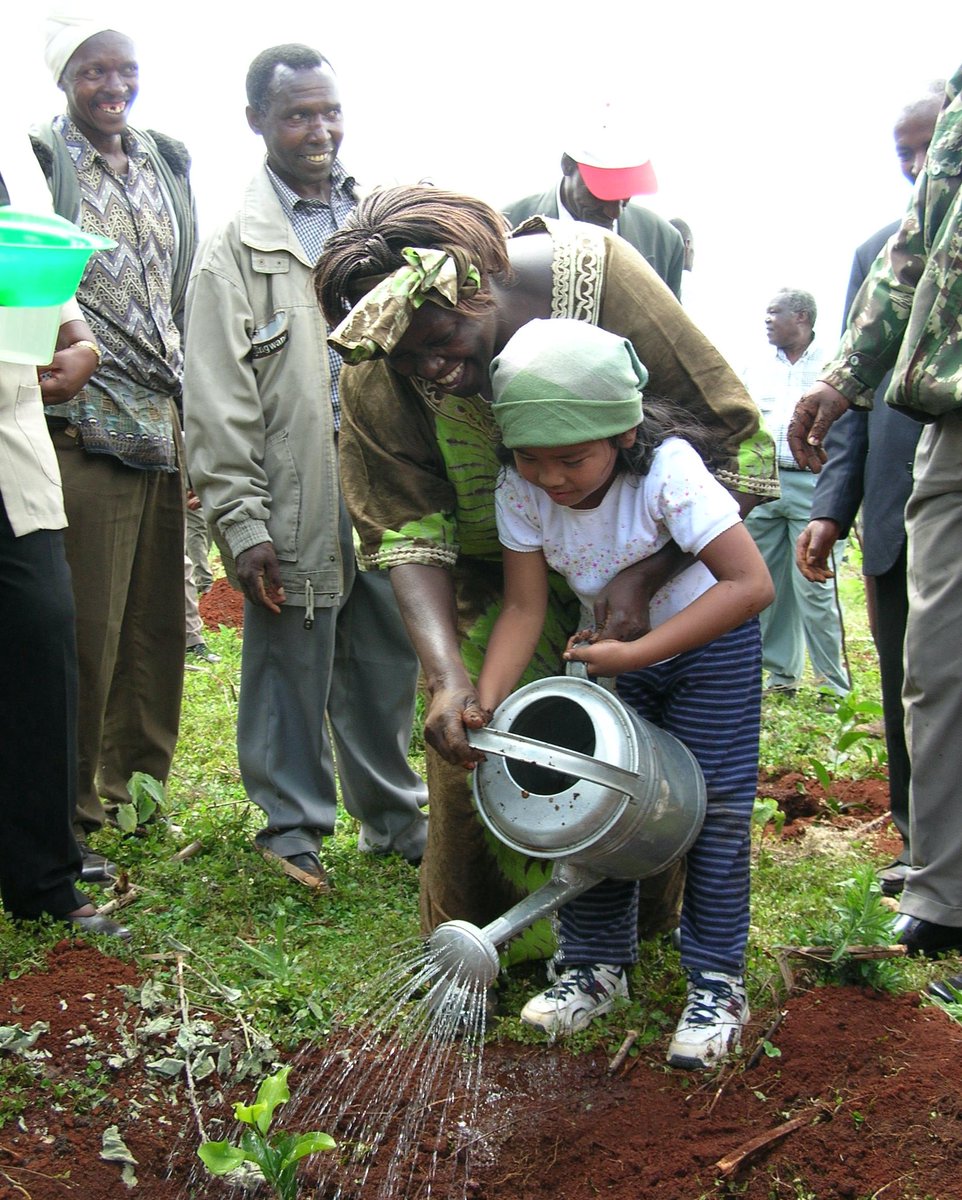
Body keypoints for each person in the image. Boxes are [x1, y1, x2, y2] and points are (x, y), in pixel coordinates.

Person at [314, 185, 777, 960]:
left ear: (482, 285)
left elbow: (732, 446)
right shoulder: (381, 349)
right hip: (499, 566)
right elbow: (405, 527)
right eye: (411, 357)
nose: (434, 369)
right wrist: (447, 678)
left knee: (637, 771)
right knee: (491, 764)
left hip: (653, 571)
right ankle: (523, 955)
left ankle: (637, 940)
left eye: (448, 344)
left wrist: (645, 573)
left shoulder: (605, 284)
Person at [477, 318, 772, 1063]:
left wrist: (640, 655)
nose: (550, 478)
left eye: (571, 460)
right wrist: (484, 700)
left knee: (716, 808)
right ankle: (594, 968)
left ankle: (716, 984)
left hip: (709, 648)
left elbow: (749, 584)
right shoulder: (519, 489)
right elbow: (523, 606)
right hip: (615, 655)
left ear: (624, 433)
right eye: (531, 459)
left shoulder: (669, 471)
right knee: (599, 809)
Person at [183, 45, 427, 888]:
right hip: (296, 487)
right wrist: (241, 524)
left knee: (388, 655)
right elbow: (217, 402)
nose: (318, 129)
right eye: (296, 115)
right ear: (257, 122)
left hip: (383, 477)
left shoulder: (383, 223)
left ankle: (393, 817)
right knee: (291, 655)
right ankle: (292, 826)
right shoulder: (232, 253)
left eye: (328, 111)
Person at [787, 68, 962, 982]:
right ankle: (941, 877)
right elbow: (861, 386)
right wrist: (833, 505)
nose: (919, 166)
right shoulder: (890, 248)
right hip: (932, 455)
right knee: (929, 676)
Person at [30, 16, 196, 873]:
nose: (112, 88)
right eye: (94, 72)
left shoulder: (167, 162)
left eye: (124, 70)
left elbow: (177, 291)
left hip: (161, 418)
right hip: (84, 419)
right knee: (88, 623)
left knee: (154, 623)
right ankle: (74, 802)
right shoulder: (40, 163)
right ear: (64, 79)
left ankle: (141, 787)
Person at [0, 143, 128, 937]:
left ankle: (43, 873)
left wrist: (77, 344)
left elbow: (51, 295)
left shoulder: (14, 163)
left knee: (42, 651)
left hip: (12, 465)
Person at [743, 289, 850, 696]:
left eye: (775, 313)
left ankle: (832, 687)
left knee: (816, 587)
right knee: (768, 585)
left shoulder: (834, 364)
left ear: (801, 317)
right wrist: (750, 486)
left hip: (816, 485)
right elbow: (746, 426)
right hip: (767, 486)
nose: (767, 320)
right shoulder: (755, 367)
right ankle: (780, 676)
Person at [503, 118, 685, 298]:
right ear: (567, 165)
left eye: (625, 196)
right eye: (603, 193)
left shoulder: (664, 242)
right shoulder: (506, 227)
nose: (614, 213)